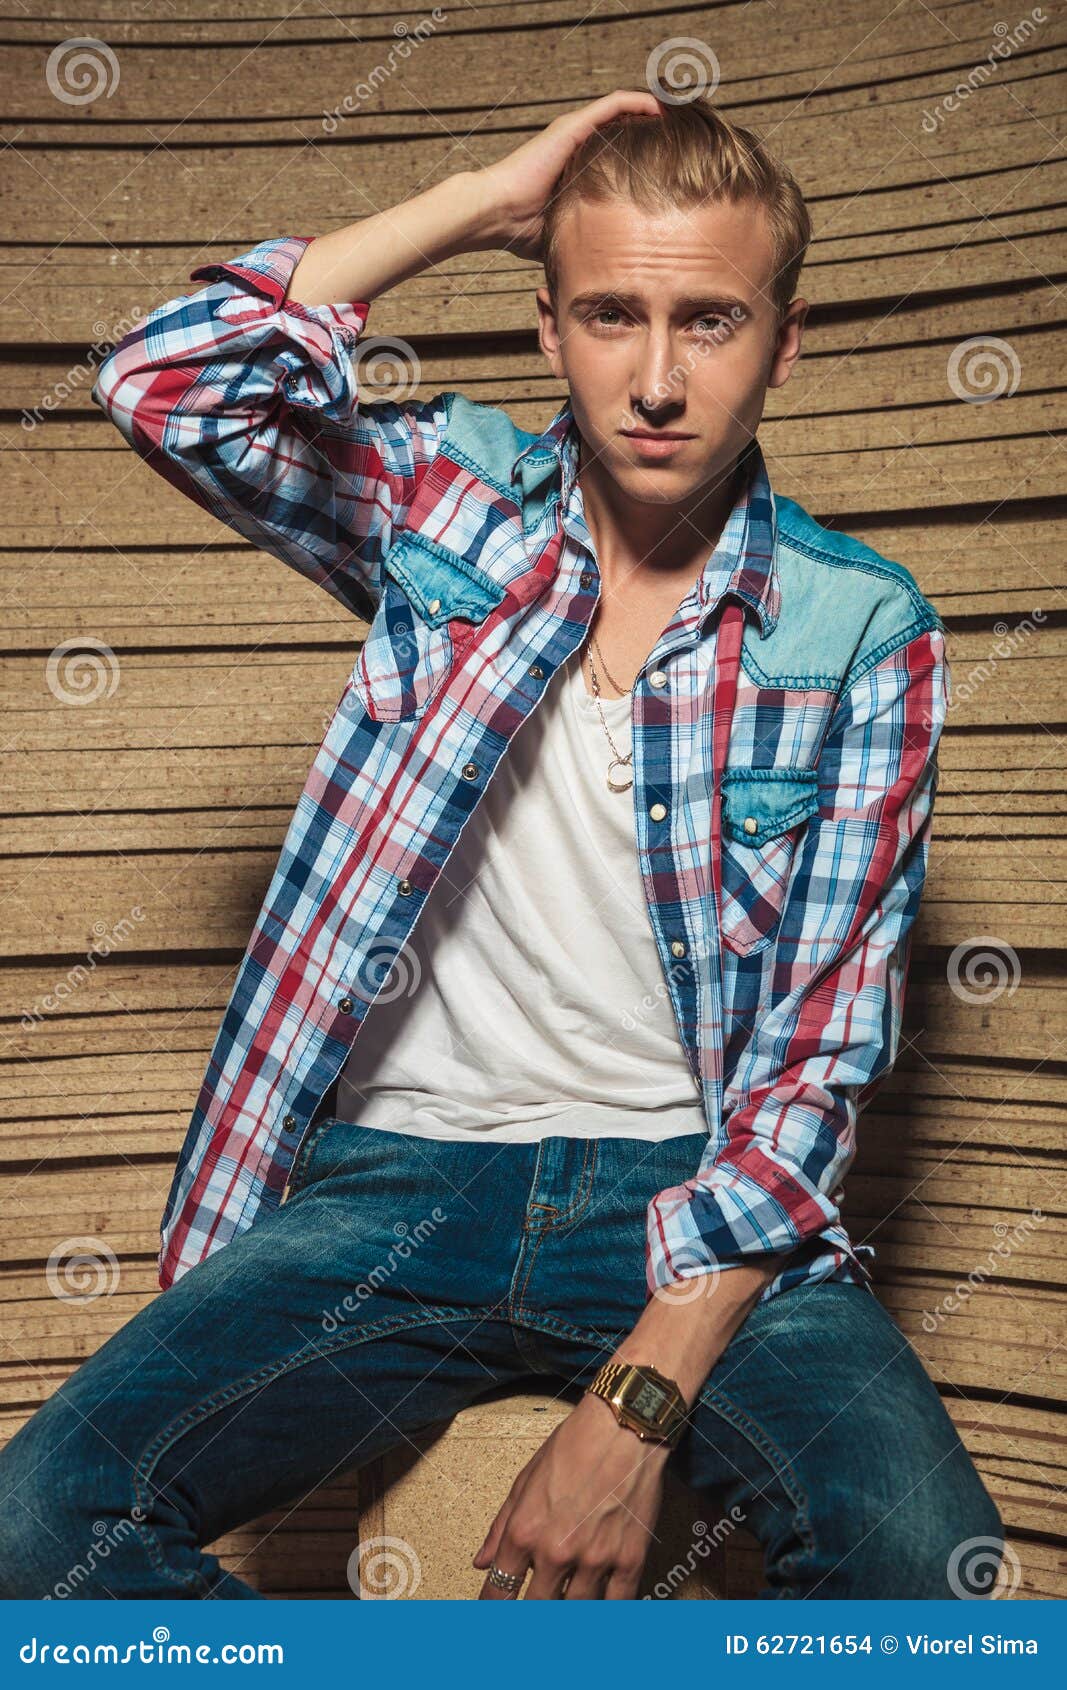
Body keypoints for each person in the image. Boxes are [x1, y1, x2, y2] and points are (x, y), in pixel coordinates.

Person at [0, 90, 1003, 1602]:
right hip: (394, 1187)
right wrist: (478, 196)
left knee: (932, 1576)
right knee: (32, 1533)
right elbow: (164, 381)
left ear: (784, 345)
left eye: (712, 322)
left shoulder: (859, 627)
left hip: (698, 1200)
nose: (657, 380)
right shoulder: (446, 509)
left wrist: (643, 1396)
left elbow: (817, 1061)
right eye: (612, 313)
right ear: (547, 325)